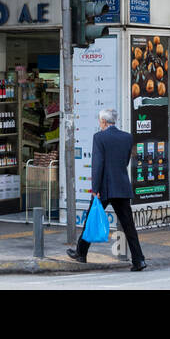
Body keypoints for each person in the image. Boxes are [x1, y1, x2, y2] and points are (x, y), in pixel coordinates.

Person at [67, 108, 147, 272]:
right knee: (128, 226)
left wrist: (95, 188)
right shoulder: (127, 137)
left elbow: (98, 165)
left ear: (103, 122)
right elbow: (125, 161)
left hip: (104, 187)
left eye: (99, 120)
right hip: (122, 185)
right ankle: (139, 260)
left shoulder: (99, 137)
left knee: (90, 218)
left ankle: (81, 253)